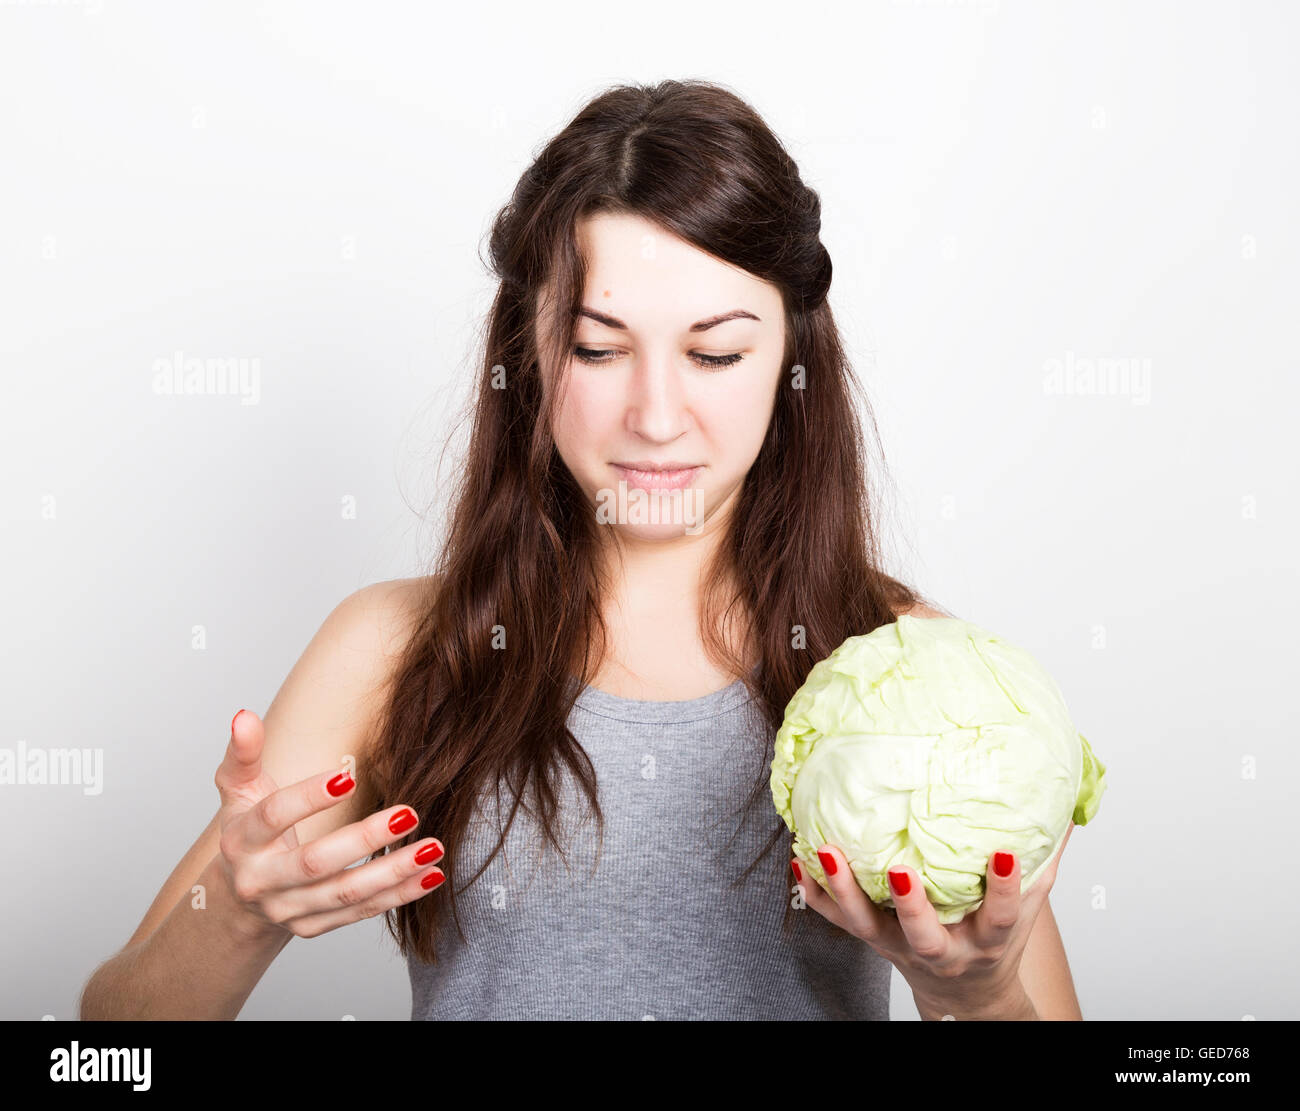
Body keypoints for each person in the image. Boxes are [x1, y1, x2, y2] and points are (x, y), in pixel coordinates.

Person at [79, 78, 1081, 1021]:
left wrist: (977, 998)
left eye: (714, 353)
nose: (654, 415)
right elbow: (106, 1036)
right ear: (530, 352)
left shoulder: (906, 668)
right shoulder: (394, 648)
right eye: (598, 349)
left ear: (789, 361)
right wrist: (239, 911)